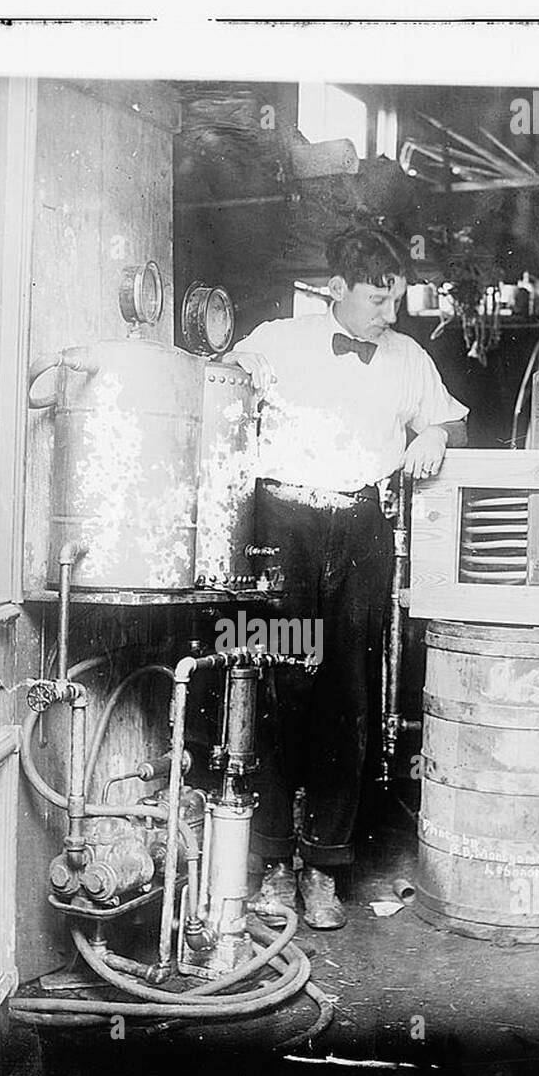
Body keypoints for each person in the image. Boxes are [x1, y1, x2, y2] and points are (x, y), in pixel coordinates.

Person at [231, 227, 468, 930]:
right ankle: (272, 865)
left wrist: (433, 436)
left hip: (363, 531)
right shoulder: (273, 341)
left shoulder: (408, 359)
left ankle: (326, 869)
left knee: (347, 691)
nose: (389, 315)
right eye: (376, 300)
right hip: (281, 527)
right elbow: (213, 390)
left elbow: (451, 421)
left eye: (396, 300)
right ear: (335, 289)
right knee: (278, 681)